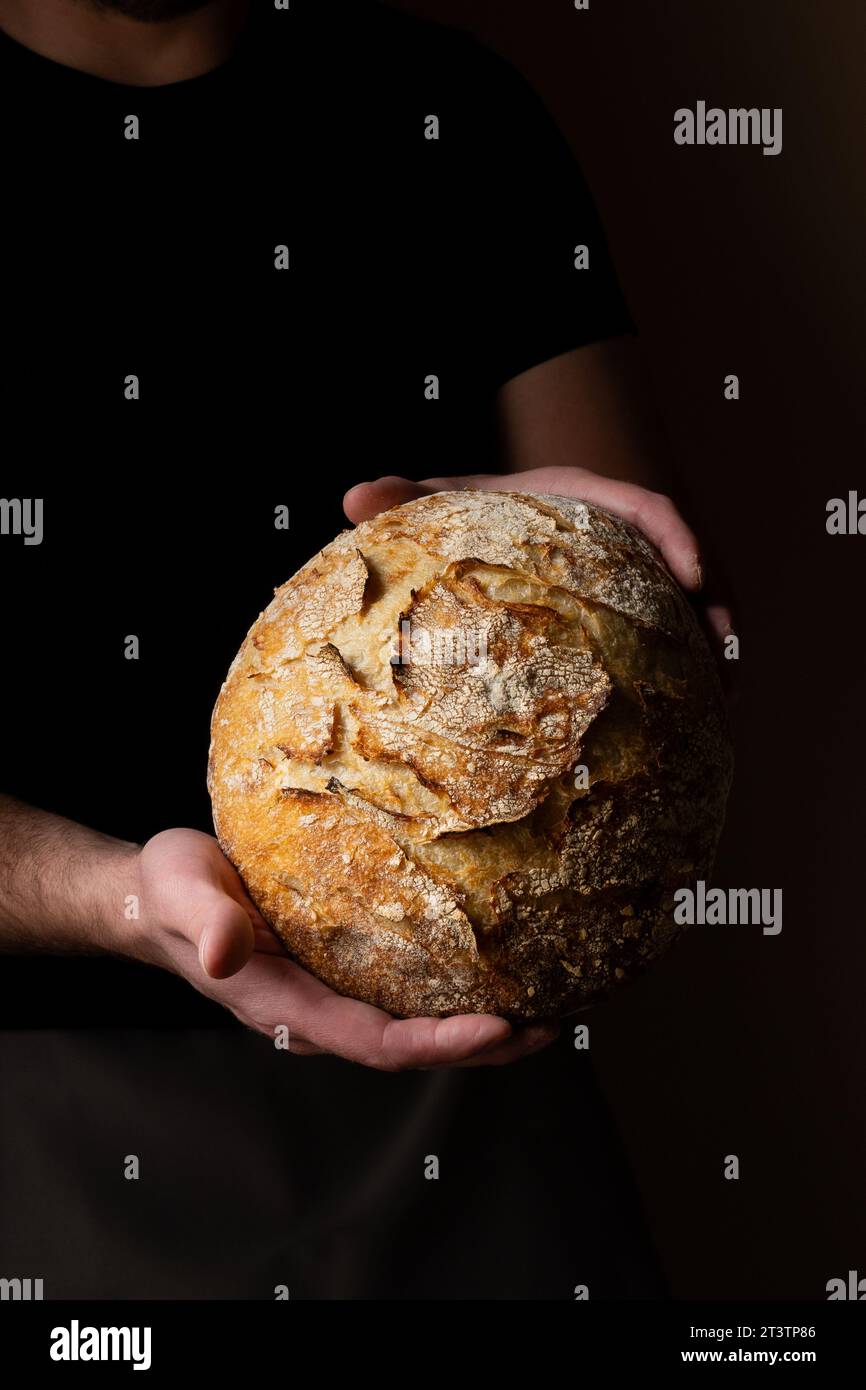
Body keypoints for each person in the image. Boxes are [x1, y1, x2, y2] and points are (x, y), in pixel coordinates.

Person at [0, 0, 729, 1299]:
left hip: (469, 1087)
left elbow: (637, 621)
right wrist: (110, 893)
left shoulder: (450, 108)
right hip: (46, 1126)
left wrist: (521, 534)